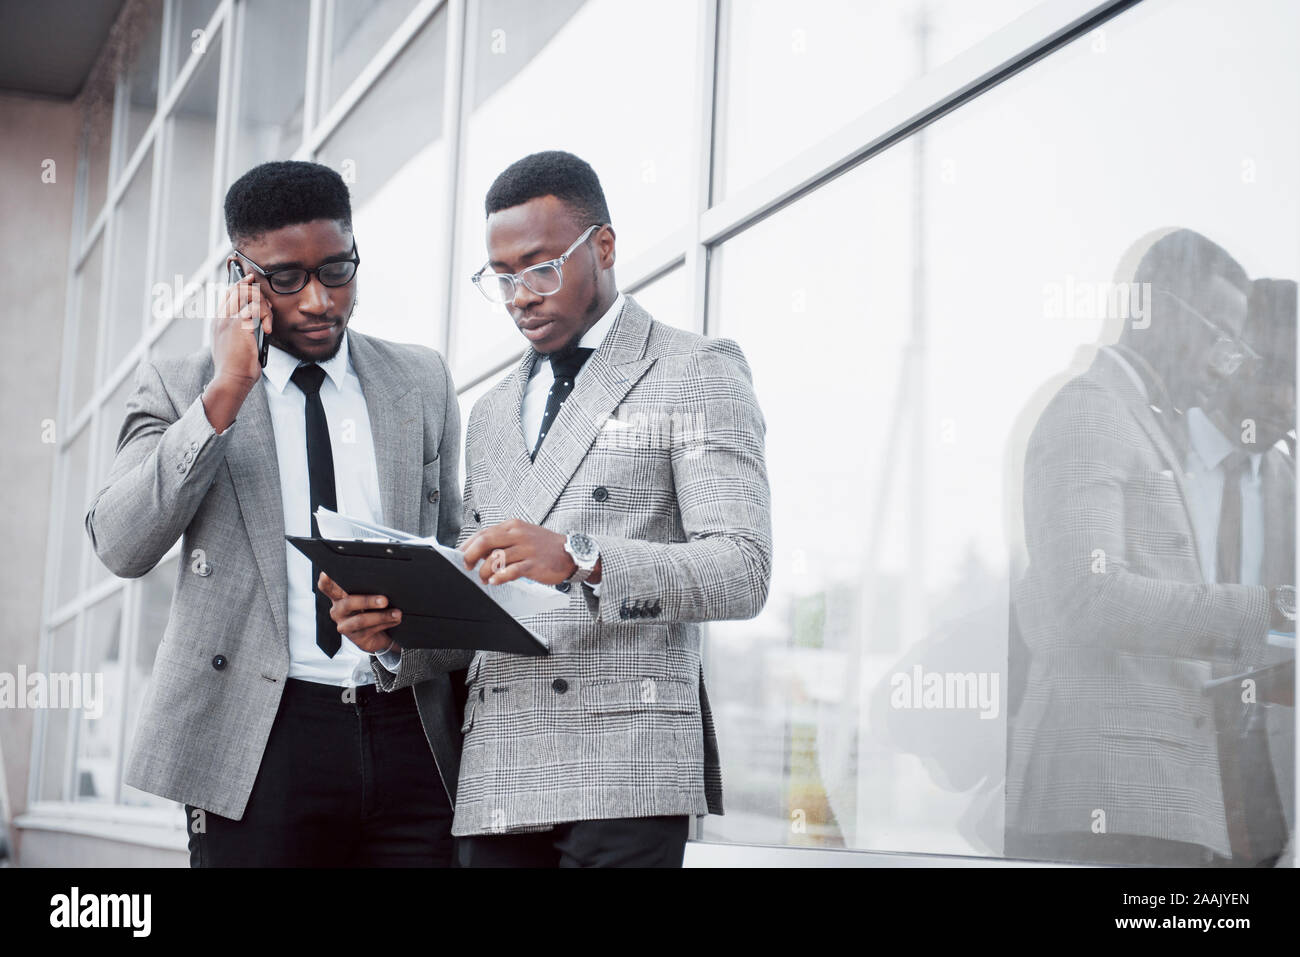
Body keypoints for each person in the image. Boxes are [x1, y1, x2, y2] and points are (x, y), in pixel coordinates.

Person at [321, 150, 773, 867]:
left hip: (626, 765)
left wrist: (581, 558)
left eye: (539, 267)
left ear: (604, 247)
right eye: (500, 277)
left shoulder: (695, 370)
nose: (519, 295)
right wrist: (396, 636)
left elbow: (743, 569)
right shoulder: (494, 410)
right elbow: (482, 609)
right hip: (498, 765)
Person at [85, 160, 464, 866]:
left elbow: (452, 557)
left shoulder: (421, 381)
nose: (319, 299)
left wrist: (405, 637)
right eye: (286, 277)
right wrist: (226, 392)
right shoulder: (180, 384)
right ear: (240, 275)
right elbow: (120, 543)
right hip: (257, 738)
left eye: (337, 269)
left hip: (406, 726)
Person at [1006, 228, 1294, 866]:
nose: (1226, 369)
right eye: (1222, 340)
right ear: (1156, 312)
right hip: (1109, 803)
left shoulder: (1133, 418)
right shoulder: (1090, 411)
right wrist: (1271, 614)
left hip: (1151, 805)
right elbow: (1089, 596)